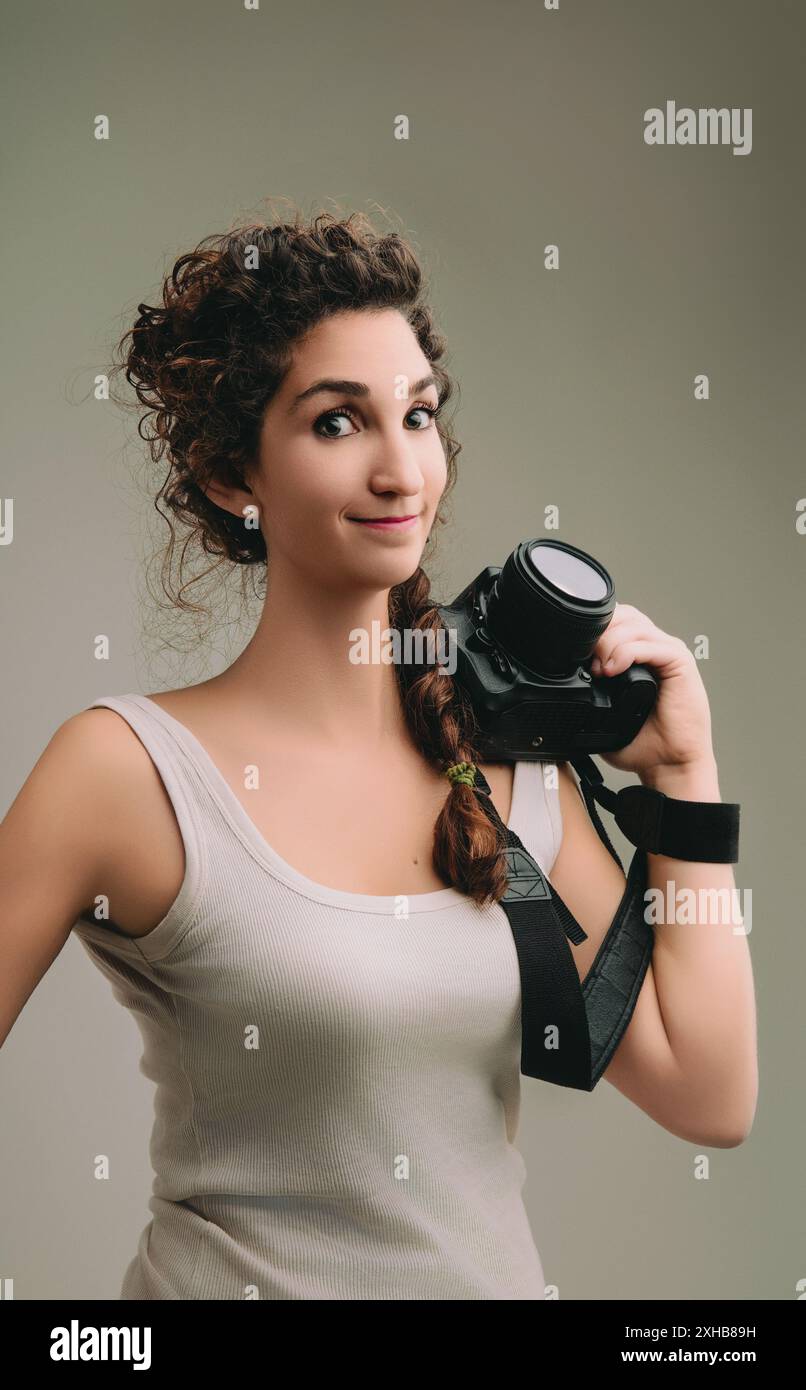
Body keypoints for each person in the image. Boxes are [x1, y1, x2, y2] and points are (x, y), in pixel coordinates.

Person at [0, 206, 757, 1300]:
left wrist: (685, 782)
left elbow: (708, 1094)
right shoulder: (127, 772)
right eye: (336, 422)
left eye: (417, 414)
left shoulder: (504, 774)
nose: (401, 469)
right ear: (228, 473)